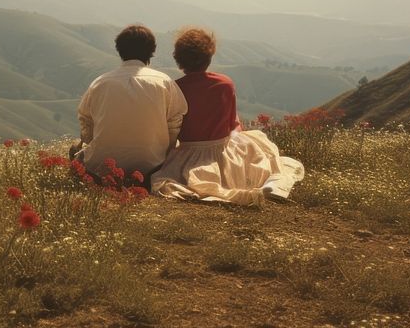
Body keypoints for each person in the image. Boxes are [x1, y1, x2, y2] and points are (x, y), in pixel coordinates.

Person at [151, 27, 304, 205]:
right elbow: (233, 125)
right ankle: (274, 183)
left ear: (178, 58)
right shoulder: (225, 84)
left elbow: (174, 128)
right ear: (209, 56)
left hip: (187, 152)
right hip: (222, 150)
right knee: (261, 145)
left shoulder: (176, 88)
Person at [75, 24, 188, 187]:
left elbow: (85, 120)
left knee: (75, 149)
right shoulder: (164, 82)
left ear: (119, 50)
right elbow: (176, 121)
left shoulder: (100, 83)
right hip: (152, 167)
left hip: (100, 167)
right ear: (152, 51)